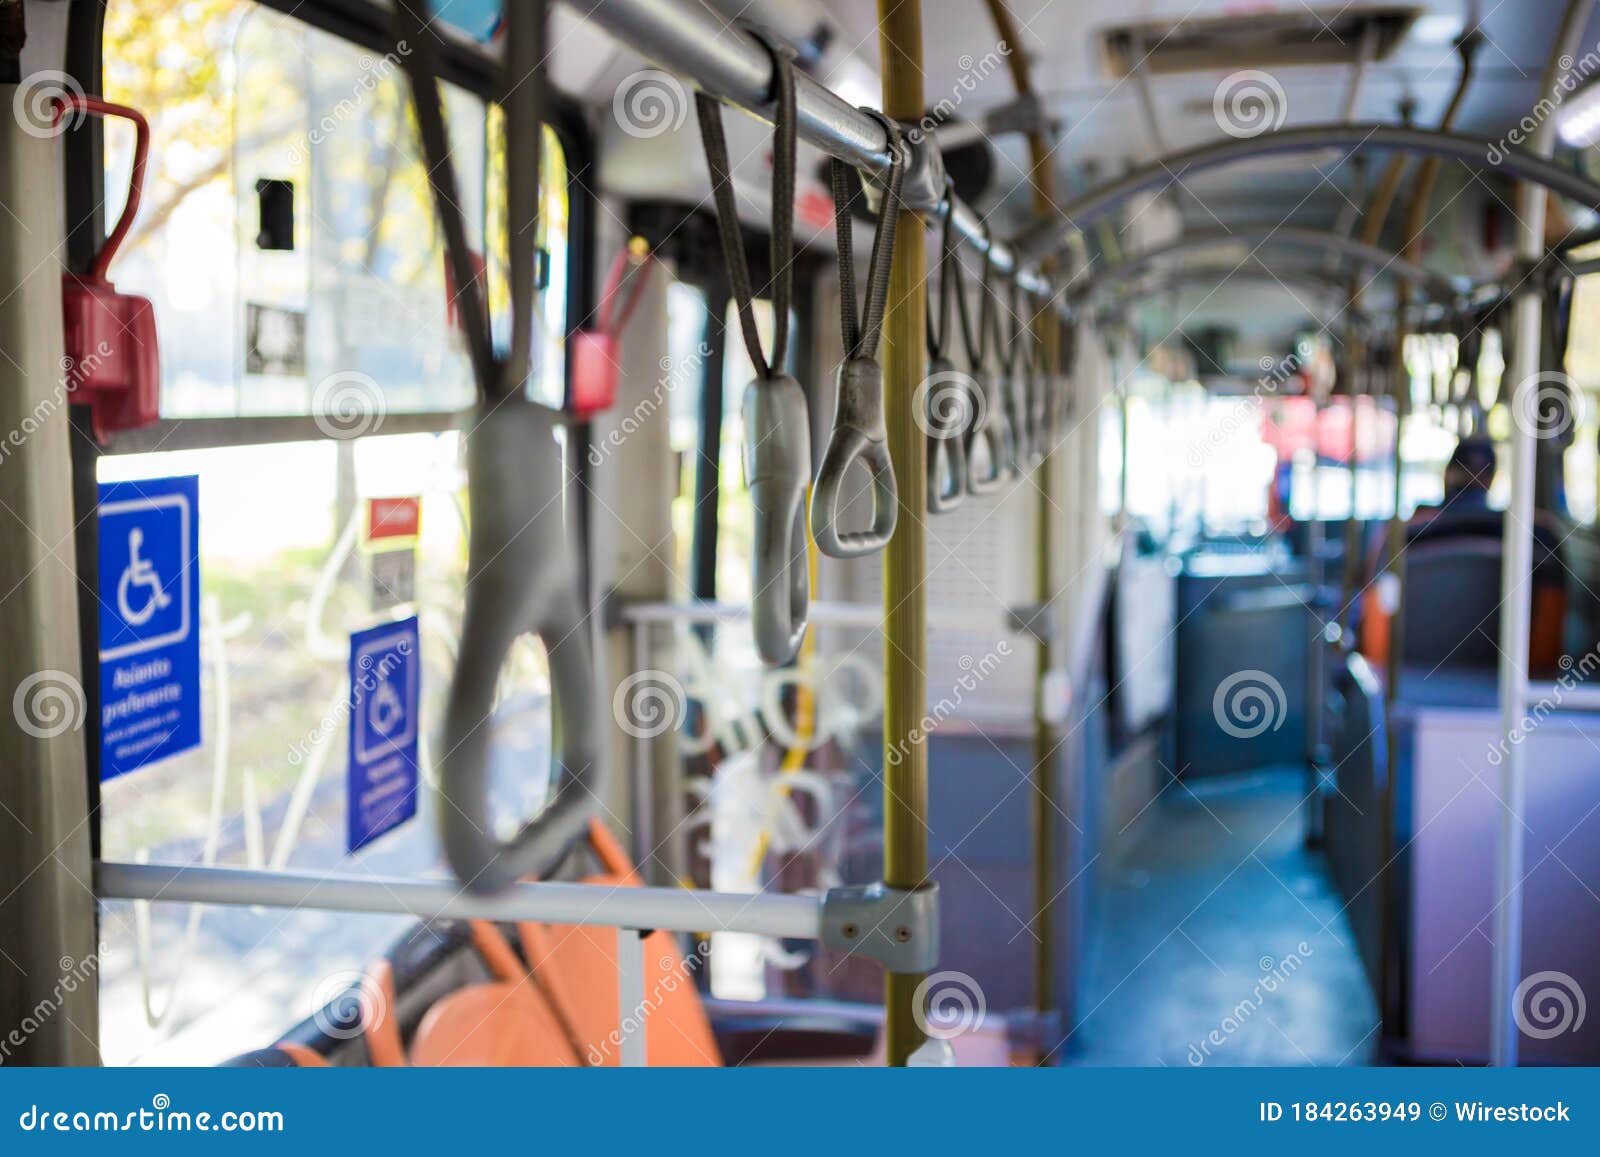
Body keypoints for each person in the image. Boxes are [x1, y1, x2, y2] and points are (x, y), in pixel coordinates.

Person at [1358, 437, 1565, 671]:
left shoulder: (1400, 536)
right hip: (1505, 683)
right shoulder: (1538, 538)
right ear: (1491, 479)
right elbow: (1547, 644)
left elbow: (1374, 626)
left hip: (1412, 680)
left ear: (1447, 475)